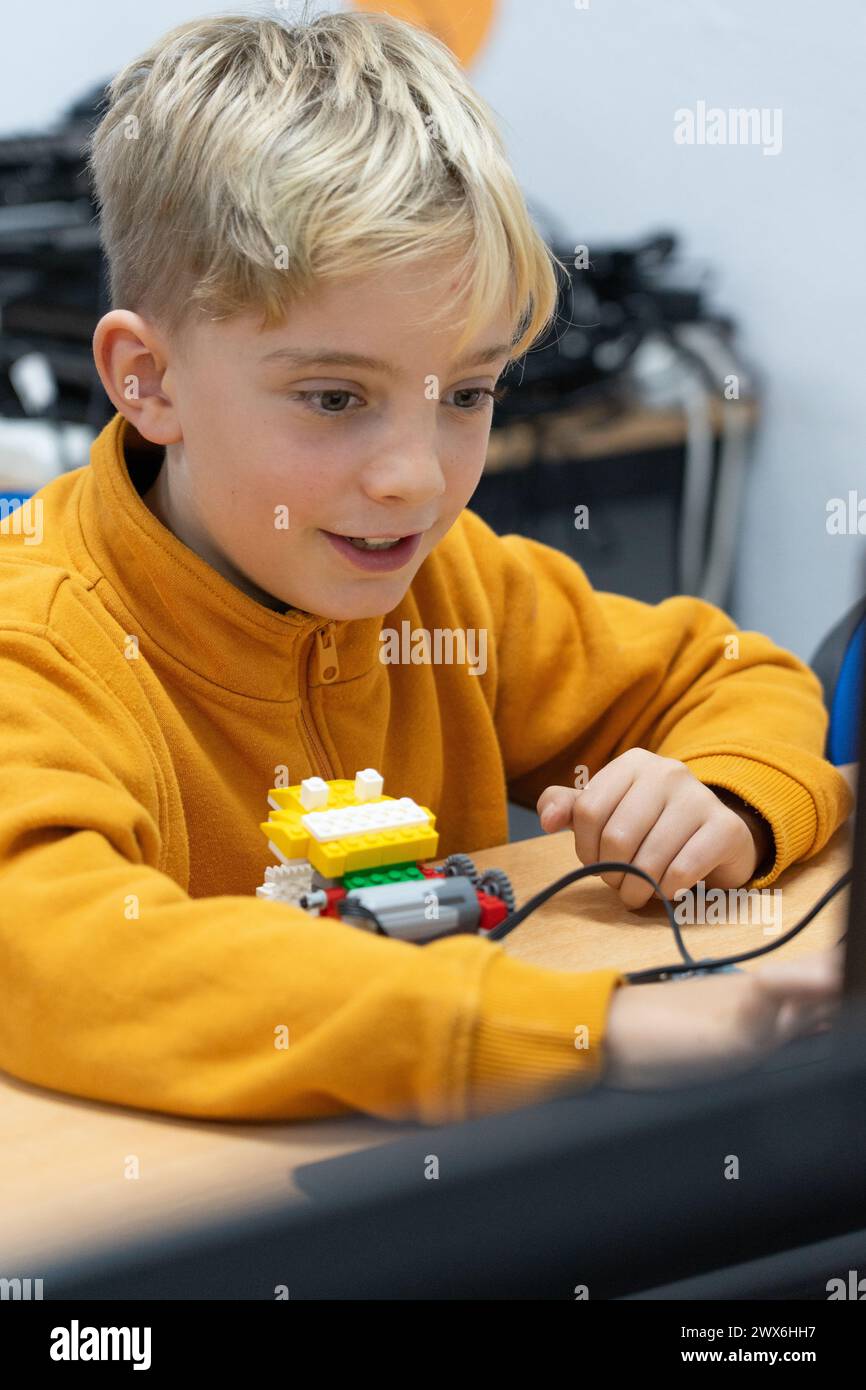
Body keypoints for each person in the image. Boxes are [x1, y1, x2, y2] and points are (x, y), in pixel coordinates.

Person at [0, 8, 851, 1123]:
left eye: (467, 392)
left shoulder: (453, 587)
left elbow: (728, 671)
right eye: (334, 397)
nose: (415, 478)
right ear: (146, 381)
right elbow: (76, 961)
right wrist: (586, 1029)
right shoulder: (41, 640)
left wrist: (724, 801)